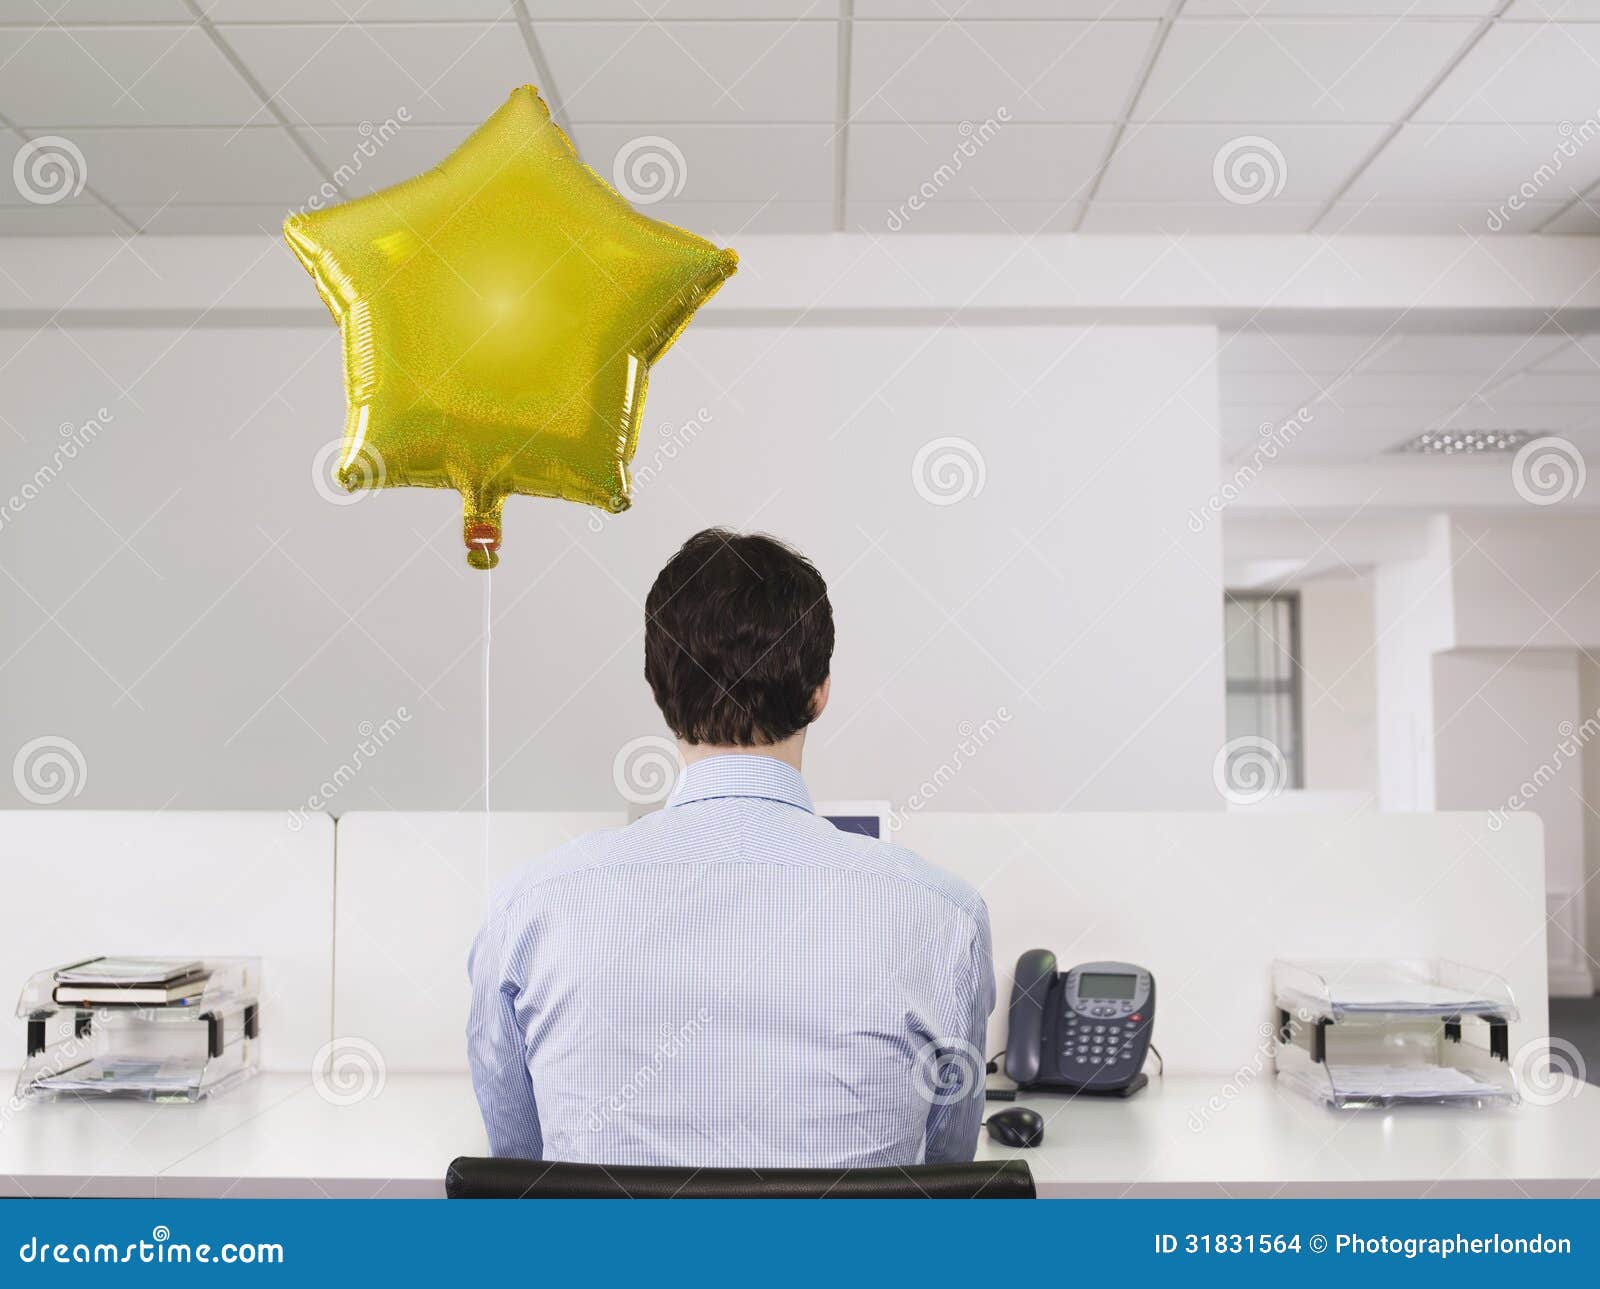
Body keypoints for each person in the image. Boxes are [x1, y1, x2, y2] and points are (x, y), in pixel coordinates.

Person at [467, 527, 994, 1168]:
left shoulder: (532, 907)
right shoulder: (943, 915)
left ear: (659, 692)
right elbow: (945, 1172)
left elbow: (519, 1168)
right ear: (819, 692)